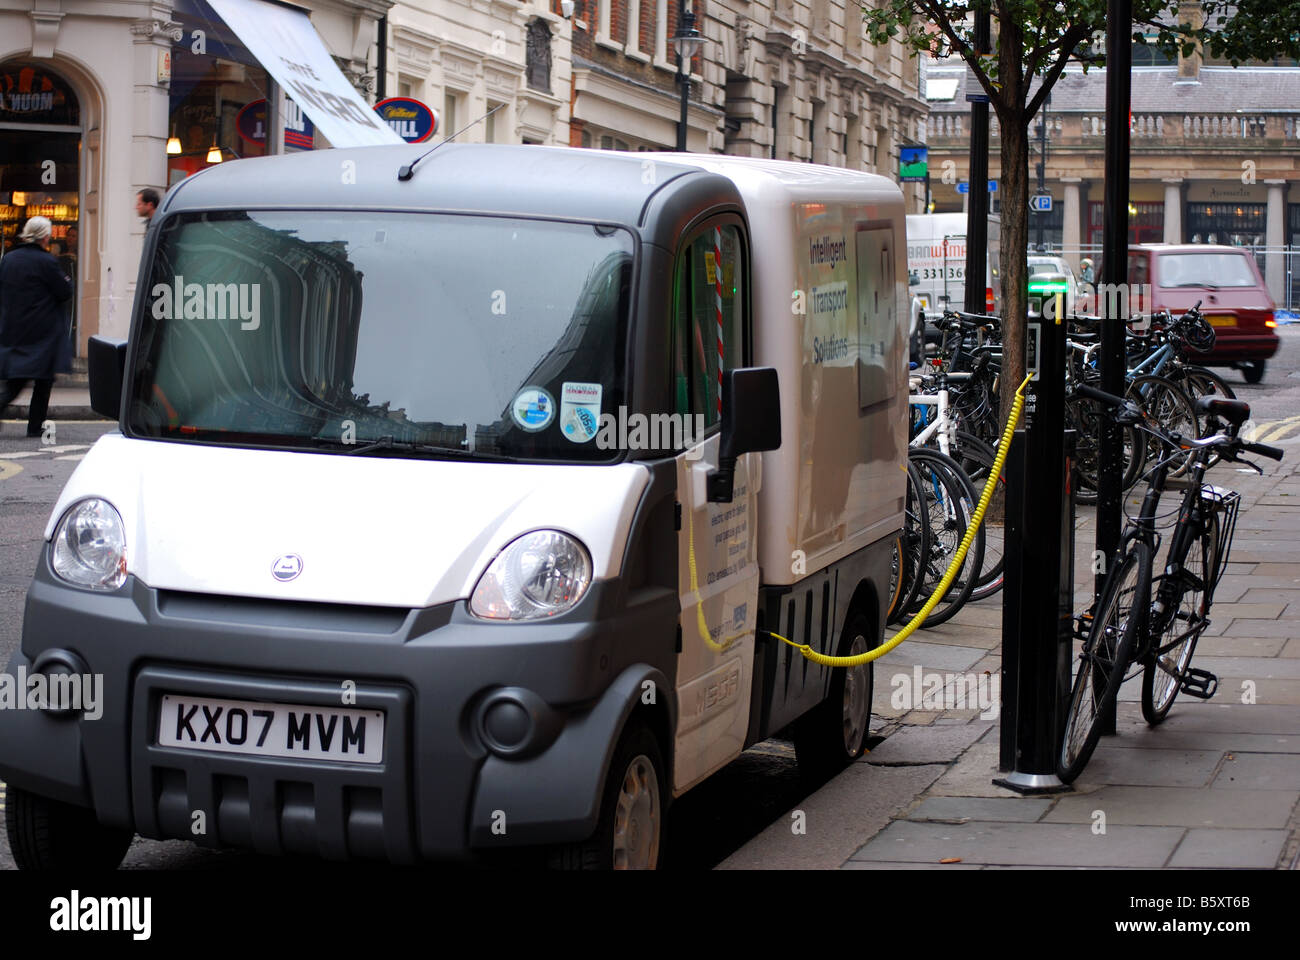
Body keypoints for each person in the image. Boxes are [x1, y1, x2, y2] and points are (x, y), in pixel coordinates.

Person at [0, 217, 74, 437]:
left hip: (15, 328)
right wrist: (67, 280)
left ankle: (31, 424)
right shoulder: (47, 261)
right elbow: (64, 292)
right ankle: (35, 427)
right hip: (43, 331)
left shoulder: (9, 259)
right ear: (45, 236)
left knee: (15, 382)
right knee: (43, 382)